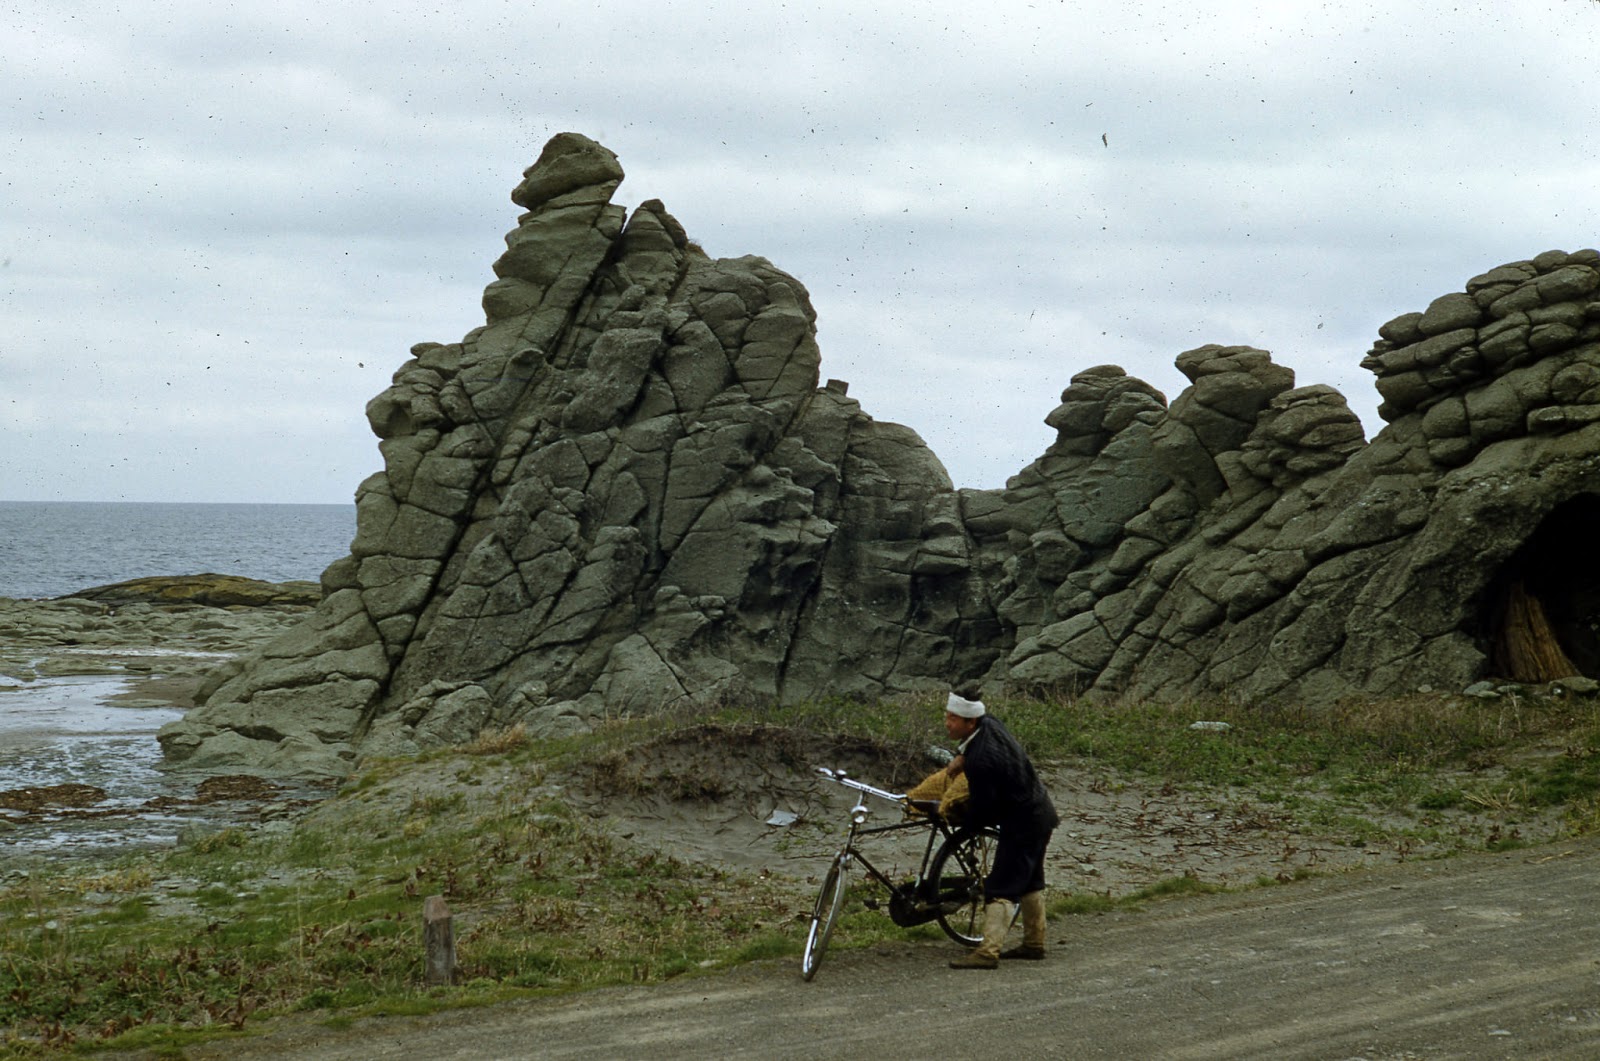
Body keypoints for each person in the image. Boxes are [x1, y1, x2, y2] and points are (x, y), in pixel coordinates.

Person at [940, 690, 1059, 969]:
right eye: (947, 716)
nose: (947, 723)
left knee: (1000, 886)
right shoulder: (989, 724)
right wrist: (961, 755)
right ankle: (1034, 944)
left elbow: (984, 810)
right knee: (1030, 880)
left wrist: (961, 822)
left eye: (953, 719)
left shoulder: (981, 760)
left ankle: (987, 952)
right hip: (1041, 811)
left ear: (970, 722)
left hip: (1022, 821)